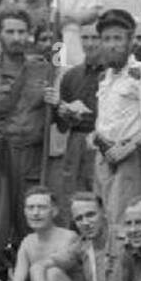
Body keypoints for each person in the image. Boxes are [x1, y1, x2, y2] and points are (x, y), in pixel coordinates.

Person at [0, 7, 54, 271]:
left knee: (32, 219)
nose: (17, 37)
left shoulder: (44, 69)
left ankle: (32, 280)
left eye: (22, 32)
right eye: (10, 31)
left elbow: (57, 118)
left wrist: (56, 102)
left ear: (29, 35)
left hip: (32, 156)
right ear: (0, 35)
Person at [91, 9, 141, 244]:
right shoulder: (106, 77)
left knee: (126, 221)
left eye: (118, 39)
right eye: (106, 39)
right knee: (106, 219)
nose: (112, 45)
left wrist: (128, 147)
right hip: (104, 156)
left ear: (130, 41)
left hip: (129, 157)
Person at [48, 19, 104, 212]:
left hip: (102, 144)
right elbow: (62, 127)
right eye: (85, 38)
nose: (89, 43)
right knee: (72, 198)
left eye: (95, 38)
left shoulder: (114, 74)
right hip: (75, 144)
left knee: (100, 197)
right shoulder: (71, 76)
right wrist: (62, 112)